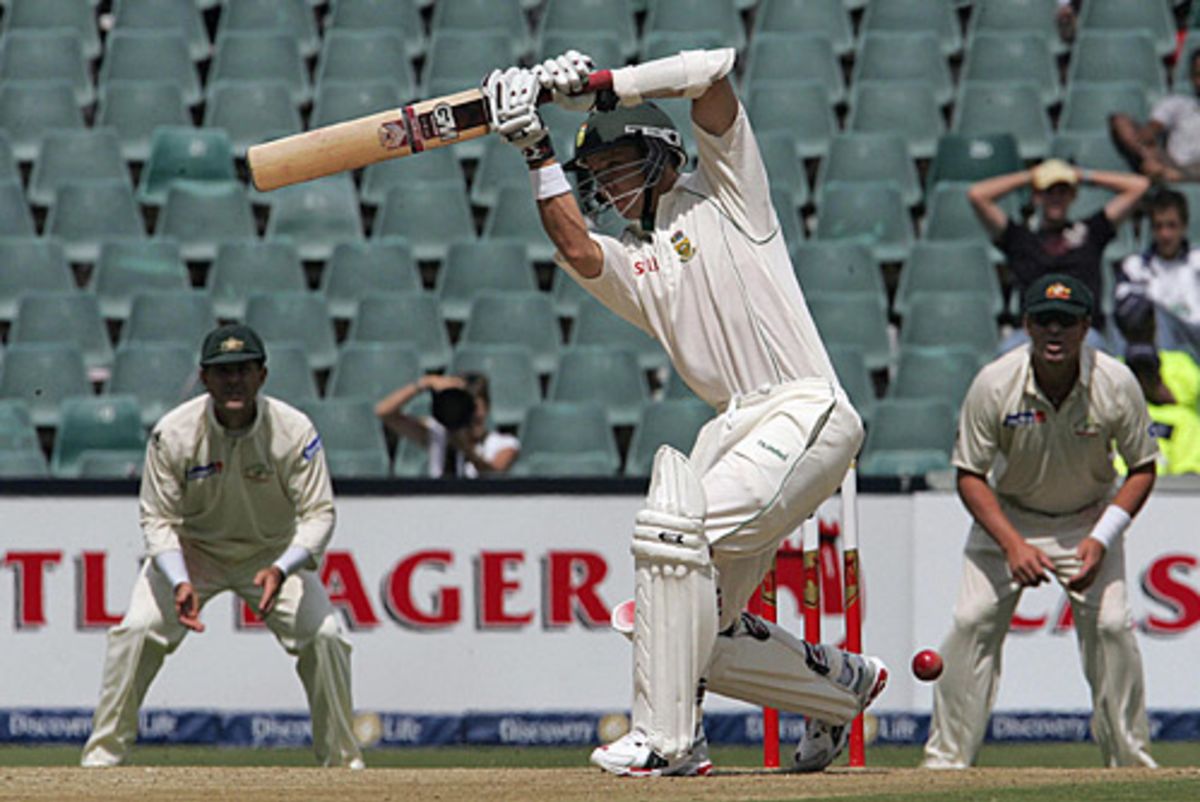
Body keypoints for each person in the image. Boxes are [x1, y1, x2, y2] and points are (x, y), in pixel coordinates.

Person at [481, 49, 887, 776]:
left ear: (659, 152)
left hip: (804, 407)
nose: (604, 184)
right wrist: (535, 148)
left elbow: (714, 73)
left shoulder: (728, 193)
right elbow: (575, 244)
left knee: (669, 538)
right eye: (594, 174)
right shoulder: (637, 264)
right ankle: (837, 688)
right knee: (688, 624)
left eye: (614, 166)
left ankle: (668, 742)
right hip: (732, 431)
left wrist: (605, 88)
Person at [81, 324, 363, 769]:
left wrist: (284, 568)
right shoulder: (173, 433)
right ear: (205, 378)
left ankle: (344, 765)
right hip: (192, 553)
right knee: (135, 632)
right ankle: (101, 761)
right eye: (223, 371)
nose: (234, 381)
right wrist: (179, 580)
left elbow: (319, 514)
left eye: (244, 370)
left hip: (272, 555)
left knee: (325, 637)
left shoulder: (294, 430)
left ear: (262, 375)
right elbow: (157, 519)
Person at [922, 274, 1159, 769]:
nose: (1055, 331)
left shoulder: (1116, 383)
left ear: (1085, 328)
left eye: (1067, 321)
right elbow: (969, 475)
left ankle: (1129, 762)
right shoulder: (995, 383)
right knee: (971, 622)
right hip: (1009, 518)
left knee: (1113, 627)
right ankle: (946, 762)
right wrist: (1012, 544)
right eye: (1045, 320)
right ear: (1027, 325)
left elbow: (1142, 468)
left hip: (1089, 521)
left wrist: (1102, 537)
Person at [967, 158, 1150, 351]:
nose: (1056, 198)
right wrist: (1031, 176)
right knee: (1007, 353)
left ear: (1073, 195)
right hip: (1032, 333)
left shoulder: (1090, 233)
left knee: (1096, 348)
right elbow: (977, 194)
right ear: (1038, 196)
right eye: (1049, 192)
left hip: (1082, 332)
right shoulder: (1020, 238)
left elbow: (1139, 186)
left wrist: (1081, 175)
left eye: (1063, 192)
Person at [375, 372, 519, 478]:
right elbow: (384, 412)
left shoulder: (504, 444)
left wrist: (465, 448)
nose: (471, 417)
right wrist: (425, 383)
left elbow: (494, 473)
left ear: (487, 407)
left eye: (475, 408)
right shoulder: (437, 434)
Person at [1114, 188, 1200, 362]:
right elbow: (1127, 314)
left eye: (1171, 226)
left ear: (1184, 227)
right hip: (1157, 346)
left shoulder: (1197, 261)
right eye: (1158, 226)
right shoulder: (1135, 266)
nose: (1165, 234)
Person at [1110, 49, 1200, 183]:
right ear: (1192, 78)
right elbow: (1153, 128)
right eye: (1198, 74)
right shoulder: (1178, 103)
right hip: (1173, 164)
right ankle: (1169, 173)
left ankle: (1179, 176)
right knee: (1120, 120)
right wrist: (1146, 149)